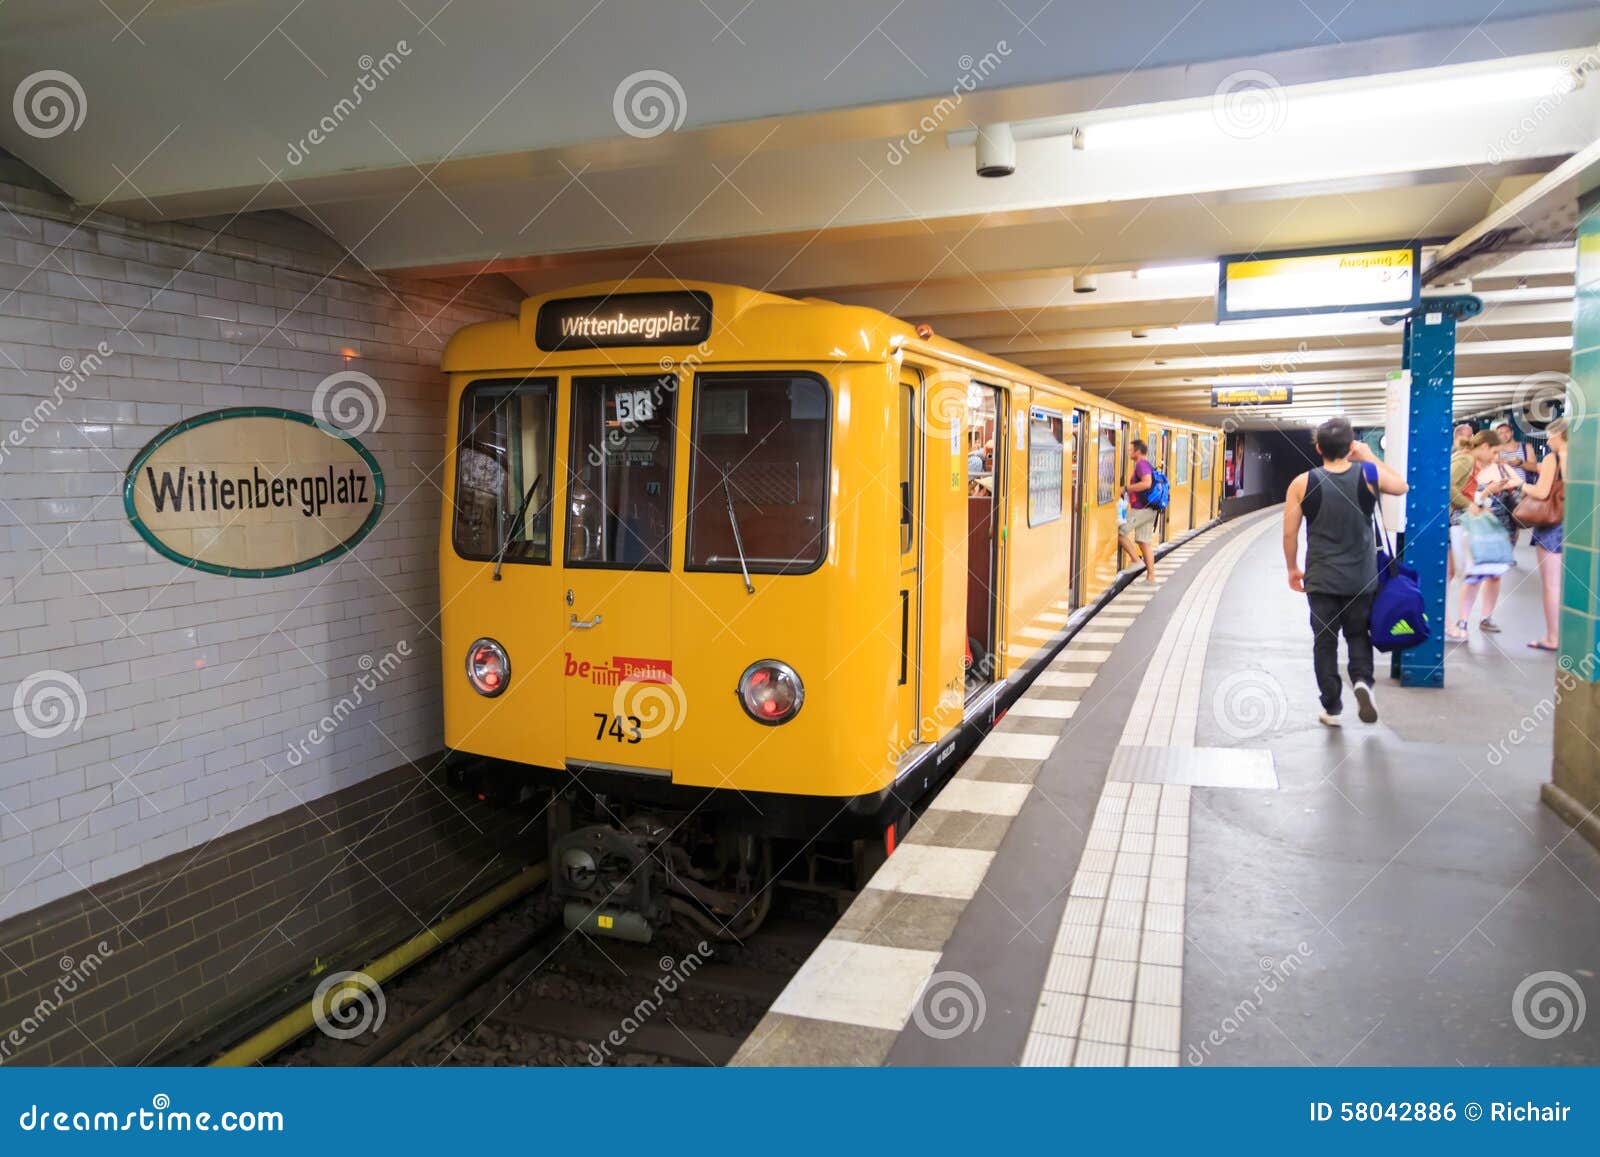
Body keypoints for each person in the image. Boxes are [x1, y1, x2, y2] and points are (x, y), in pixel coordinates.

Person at [1283, 417, 1408, 726]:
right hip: (1361, 578)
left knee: (1324, 641)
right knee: (1357, 635)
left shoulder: (1302, 483)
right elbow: (1402, 485)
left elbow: (1289, 533)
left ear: (1317, 448)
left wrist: (1292, 568)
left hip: (1321, 578)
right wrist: (1367, 456)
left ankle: (1332, 705)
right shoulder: (1368, 474)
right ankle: (1363, 681)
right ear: (1351, 445)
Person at [1449, 431, 1514, 641]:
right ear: (1484, 446)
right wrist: (1472, 506)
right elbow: (1448, 486)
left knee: (1453, 573)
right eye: (1494, 452)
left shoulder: (1470, 460)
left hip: (1456, 520)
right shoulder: (1466, 459)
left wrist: (1481, 499)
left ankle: (1451, 623)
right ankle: (1447, 624)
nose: (1495, 457)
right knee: (1454, 573)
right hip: (1456, 521)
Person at [1523, 418, 1568, 652]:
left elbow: (1541, 492)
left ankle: (1553, 637)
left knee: (1552, 585)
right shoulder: (1588, 457)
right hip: (1579, 524)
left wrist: (1519, 485)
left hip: (1552, 524)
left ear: (1561, 435)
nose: (1548, 440)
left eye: (1551, 435)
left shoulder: (1554, 458)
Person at [1116, 439, 1157, 582]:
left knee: (1119, 531)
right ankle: (1151, 576)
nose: (1128, 452)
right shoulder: (1148, 465)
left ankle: (1136, 560)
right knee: (1143, 541)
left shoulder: (1141, 465)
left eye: (1130, 449)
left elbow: (1147, 483)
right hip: (1150, 509)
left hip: (1141, 509)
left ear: (1137, 451)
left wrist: (1126, 488)